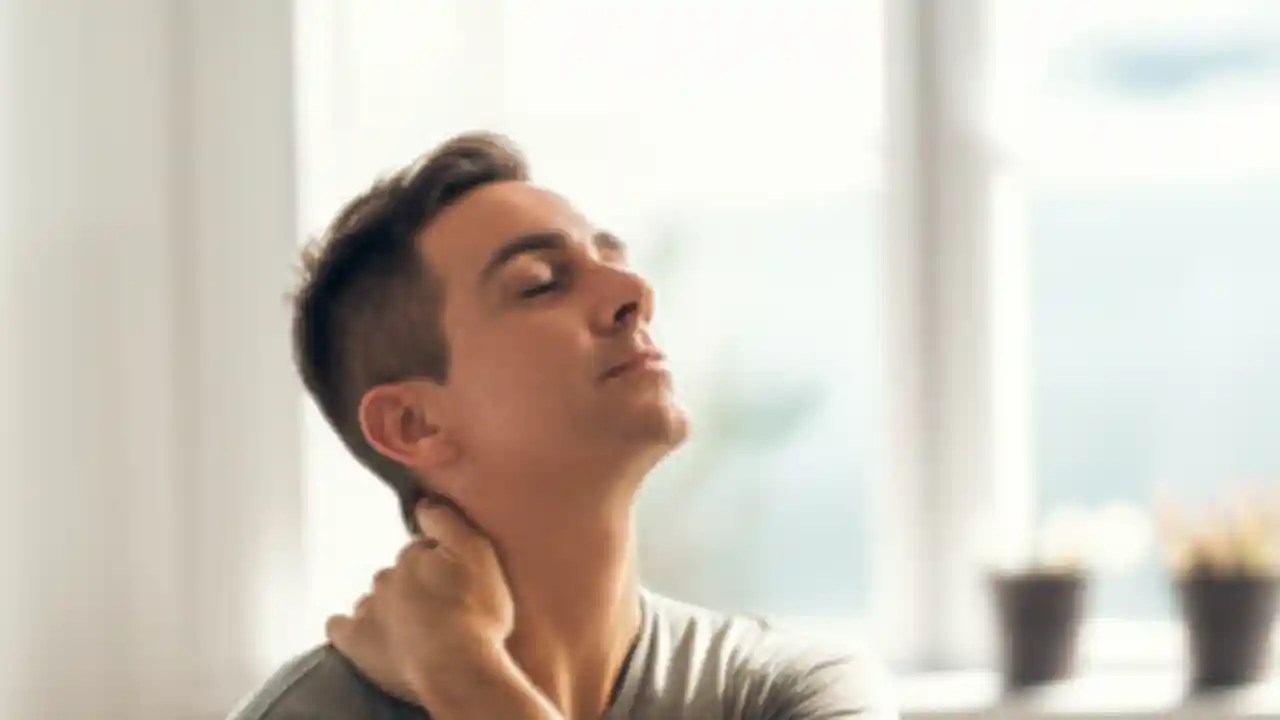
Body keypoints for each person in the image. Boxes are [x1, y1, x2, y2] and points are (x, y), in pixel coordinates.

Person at [229, 133, 896, 720]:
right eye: (541, 282)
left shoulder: (791, 691)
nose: (634, 291)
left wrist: (465, 676)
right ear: (414, 423)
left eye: (612, 257)